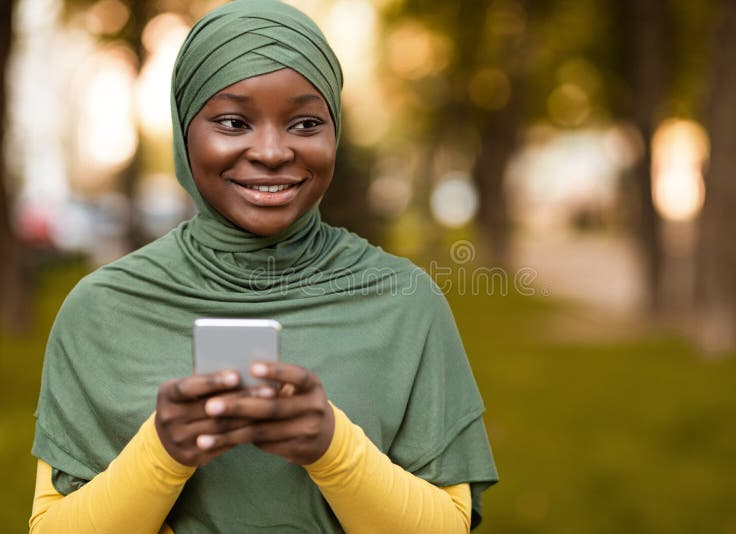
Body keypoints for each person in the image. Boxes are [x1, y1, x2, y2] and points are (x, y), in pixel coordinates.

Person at [29, 1, 498, 532]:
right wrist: (162, 451)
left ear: (334, 133)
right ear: (186, 131)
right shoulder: (102, 311)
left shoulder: (406, 303)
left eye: (304, 122)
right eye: (232, 122)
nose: (272, 151)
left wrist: (333, 449)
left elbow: (449, 524)